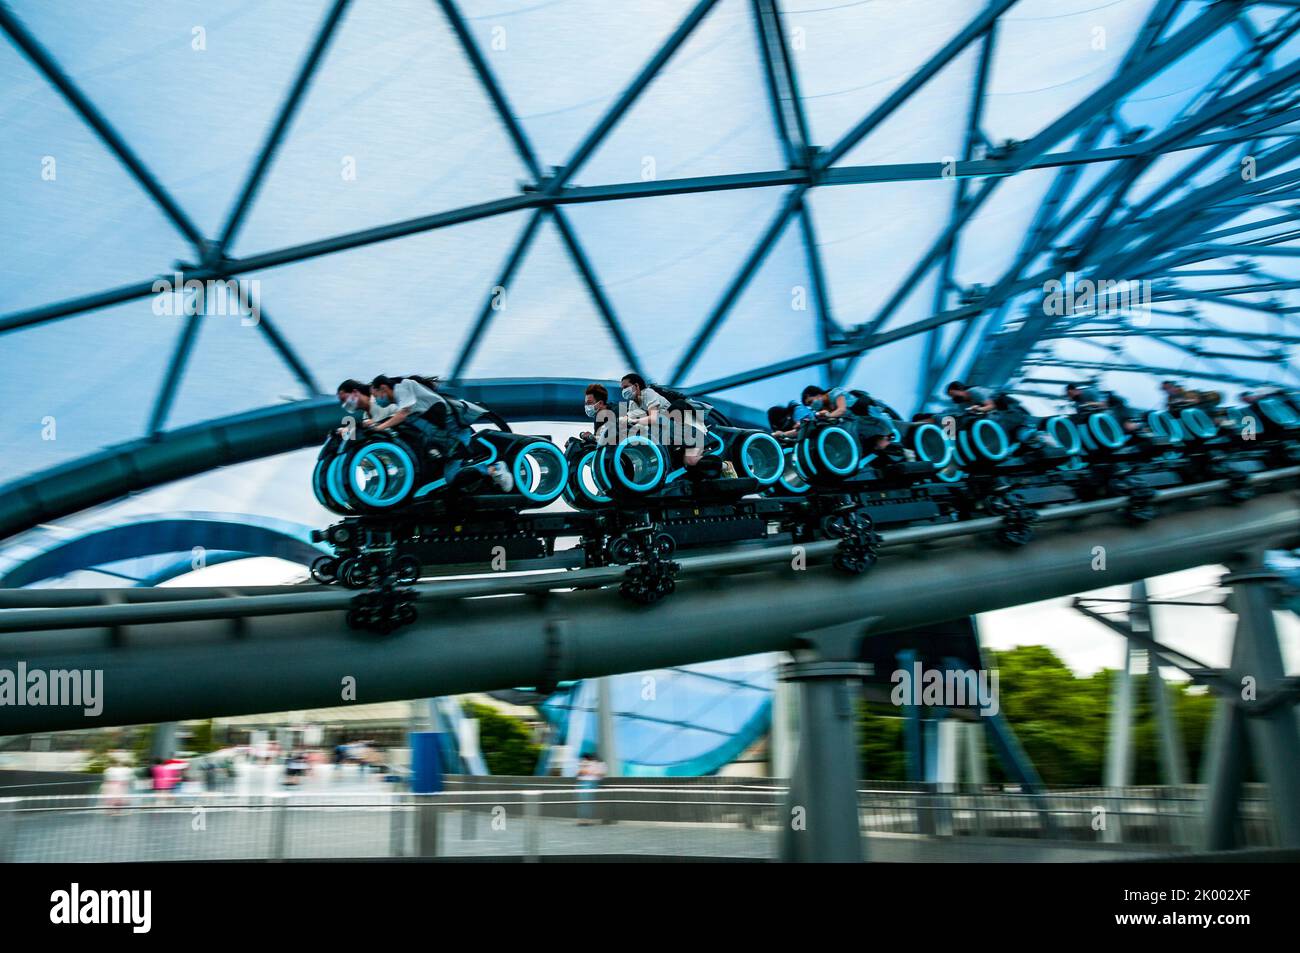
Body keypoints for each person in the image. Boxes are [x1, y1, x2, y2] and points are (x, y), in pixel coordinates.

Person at [369, 375, 513, 492]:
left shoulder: (403, 386)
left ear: (383, 387)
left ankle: (496, 468)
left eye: (376, 396)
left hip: (452, 432)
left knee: (454, 469)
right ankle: (491, 470)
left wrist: (380, 428)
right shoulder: (400, 402)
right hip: (442, 437)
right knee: (452, 477)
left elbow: (403, 414)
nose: (376, 401)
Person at [575, 753, 607, 826]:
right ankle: (583, 819)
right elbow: (580, 772)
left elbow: (600, 773)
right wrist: (587, 771)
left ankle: (585, 819)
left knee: (587, 801)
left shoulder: (599, 764)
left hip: (590, 782)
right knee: (583, 801)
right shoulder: (584, 762)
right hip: (584, 782)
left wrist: (588, 772)